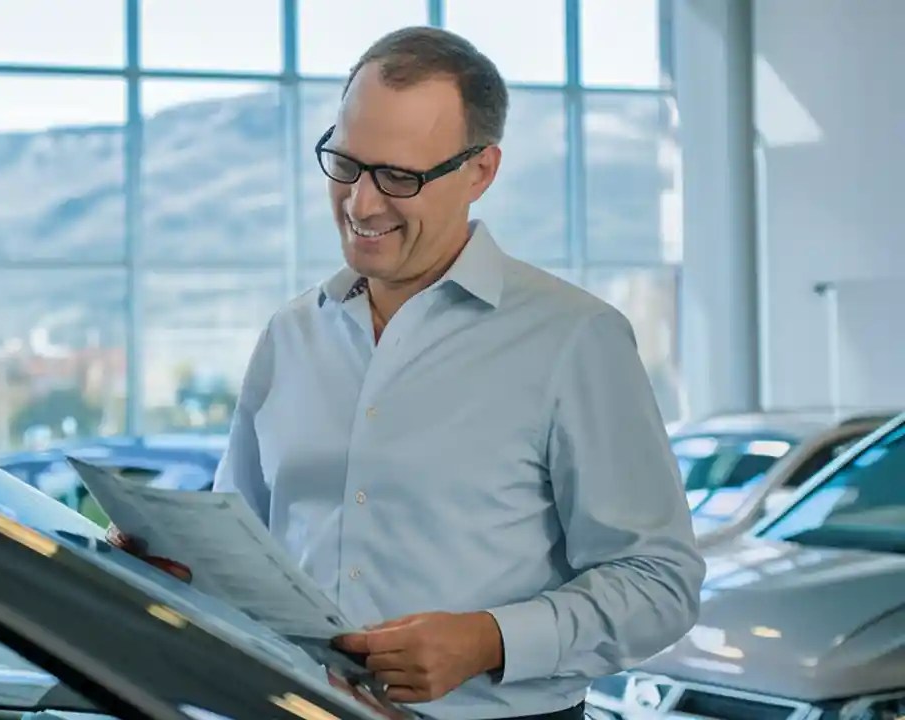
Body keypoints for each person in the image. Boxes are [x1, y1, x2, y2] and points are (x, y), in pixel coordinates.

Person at [114, 26, 705, 720]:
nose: (361, 204)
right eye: (346, 164)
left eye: (399, 177)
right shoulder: (290, 336)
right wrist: (180, 572)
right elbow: (243, 554)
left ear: (480, 172)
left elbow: (661, 583)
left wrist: (490, 640)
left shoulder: (575, 339)